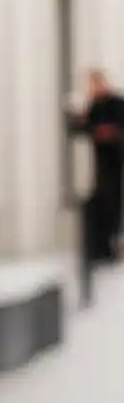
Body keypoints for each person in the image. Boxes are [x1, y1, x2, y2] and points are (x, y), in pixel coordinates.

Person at [82, 69, 124, 262]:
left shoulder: (117, 103)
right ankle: (106, 248)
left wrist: (113, 132)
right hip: (103, 165)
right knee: (105, 203)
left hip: (118, 161)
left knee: (116, 204)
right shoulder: (94, 106)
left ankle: (115, 244)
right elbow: (87, 128)